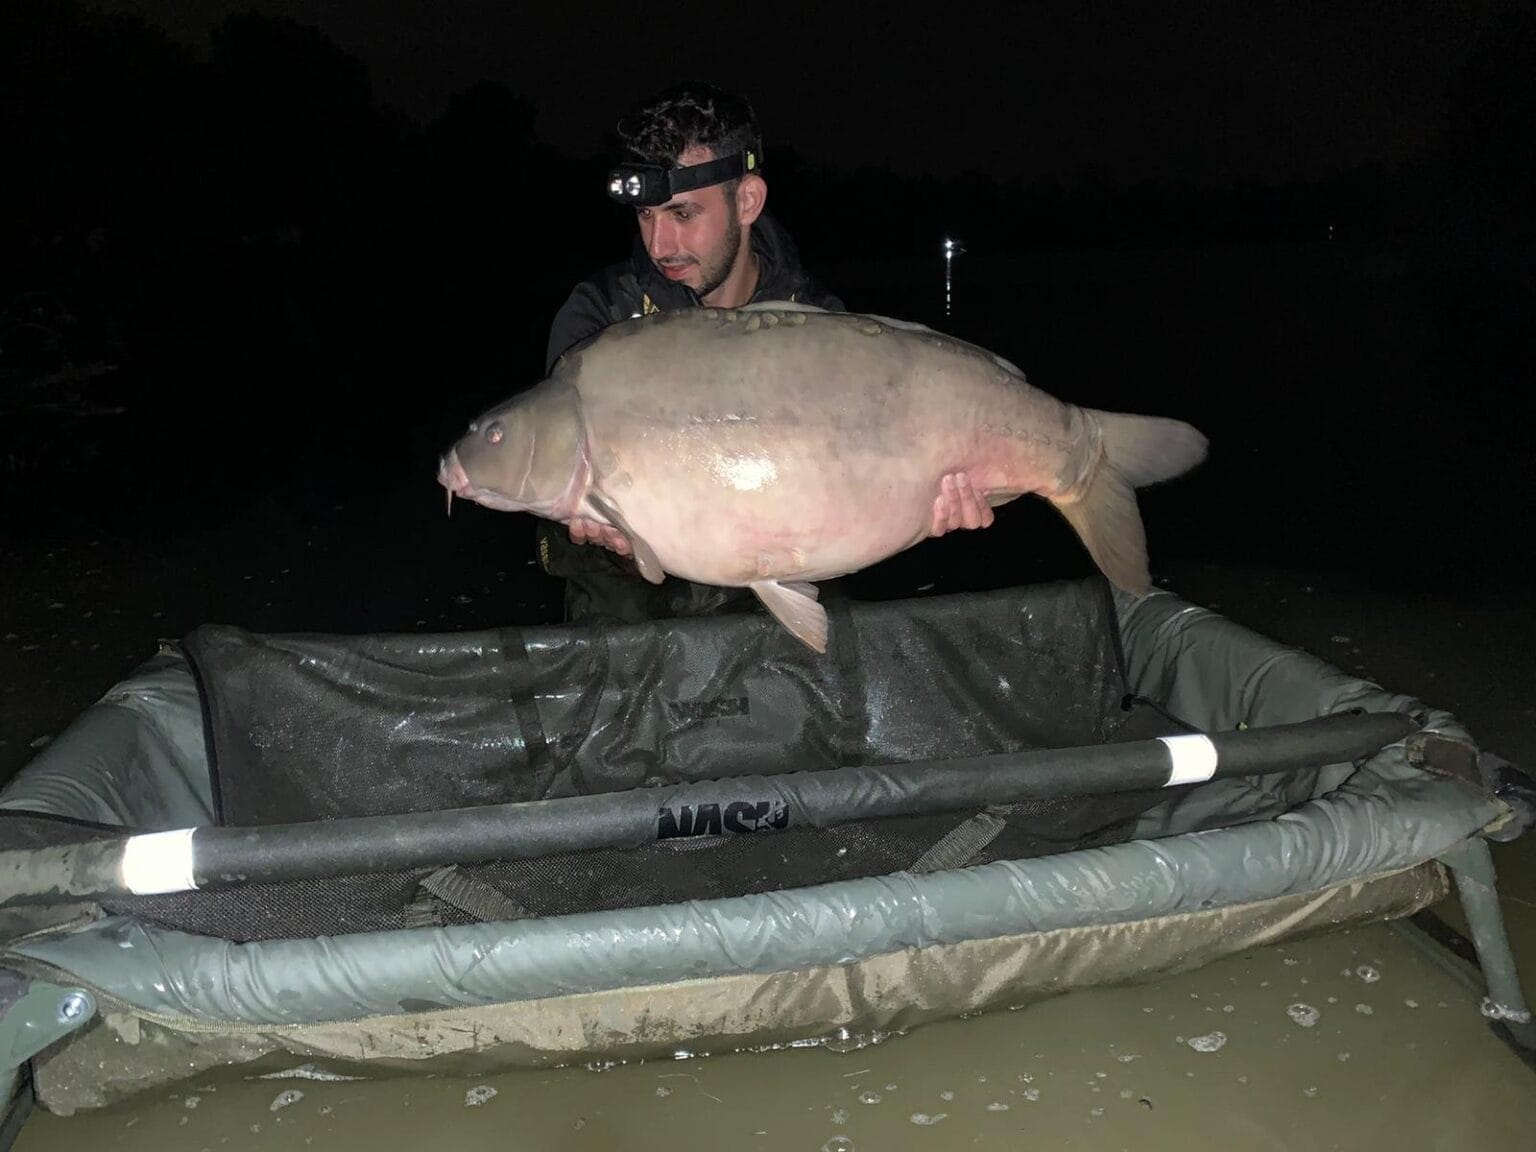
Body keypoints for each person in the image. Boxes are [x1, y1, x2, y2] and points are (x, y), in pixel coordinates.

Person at [536, 80, 994, 627]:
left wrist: (921, 505)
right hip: (633, 593)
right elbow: (555, 462)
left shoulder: (820, 323)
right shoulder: (600, 319)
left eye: (683, 215)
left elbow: (871, 478)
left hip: (789, 566)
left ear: (747, 200)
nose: (659, 245)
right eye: (645, 216)